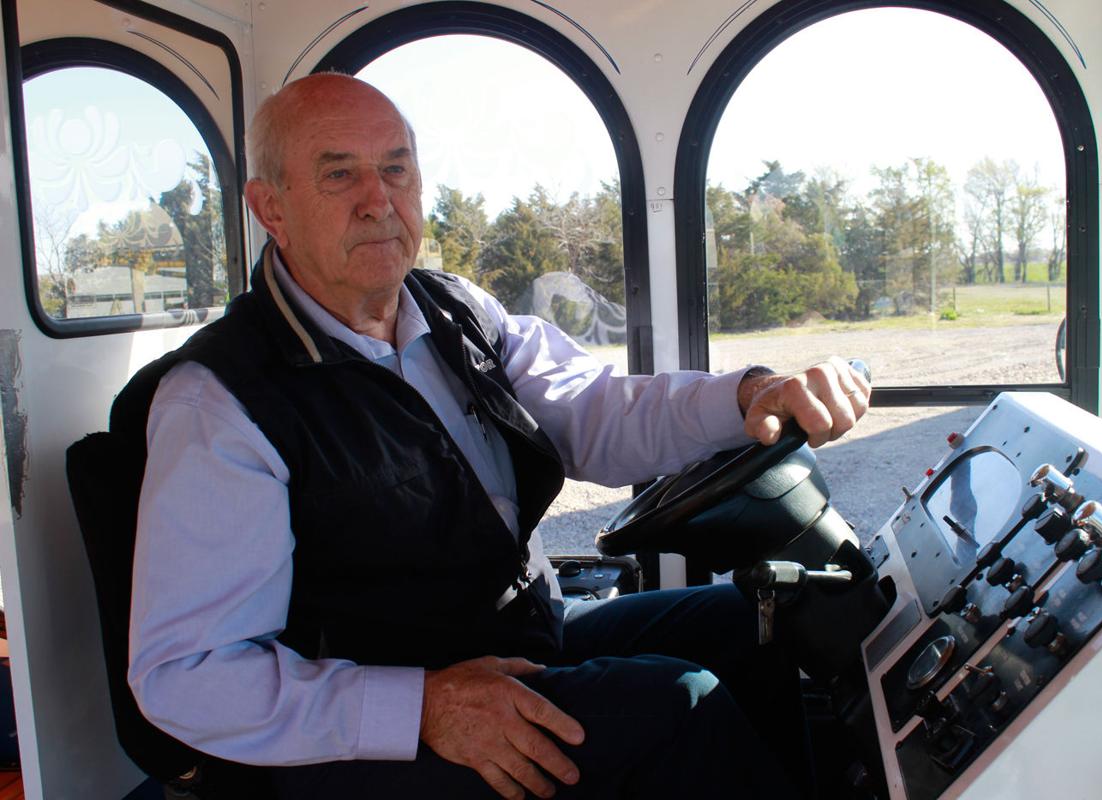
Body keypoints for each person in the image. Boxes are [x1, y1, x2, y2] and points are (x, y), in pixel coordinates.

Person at [124, 73, 871, 799]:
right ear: (271, 208)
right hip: (360, 739)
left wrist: (748, 395)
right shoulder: (221, 400)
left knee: (753, 621)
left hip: (514, 642)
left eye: (396, 169)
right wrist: (422, 707)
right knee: (676, 705)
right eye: (339, 174)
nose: (378, 200)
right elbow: (185, 675)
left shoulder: (455, 313)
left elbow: (594, 408)